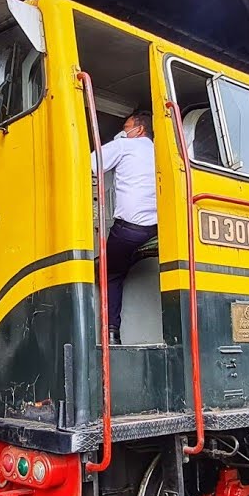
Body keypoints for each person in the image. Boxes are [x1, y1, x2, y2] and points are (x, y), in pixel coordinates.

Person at [92, 109, 157, 345]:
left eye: (126, 126)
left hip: (129, 229)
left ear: (139, 129)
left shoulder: (124, 146)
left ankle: (111, 333)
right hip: (155, 231)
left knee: (110, 273)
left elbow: (89, 164)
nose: (123, 131)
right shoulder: (160, 152)